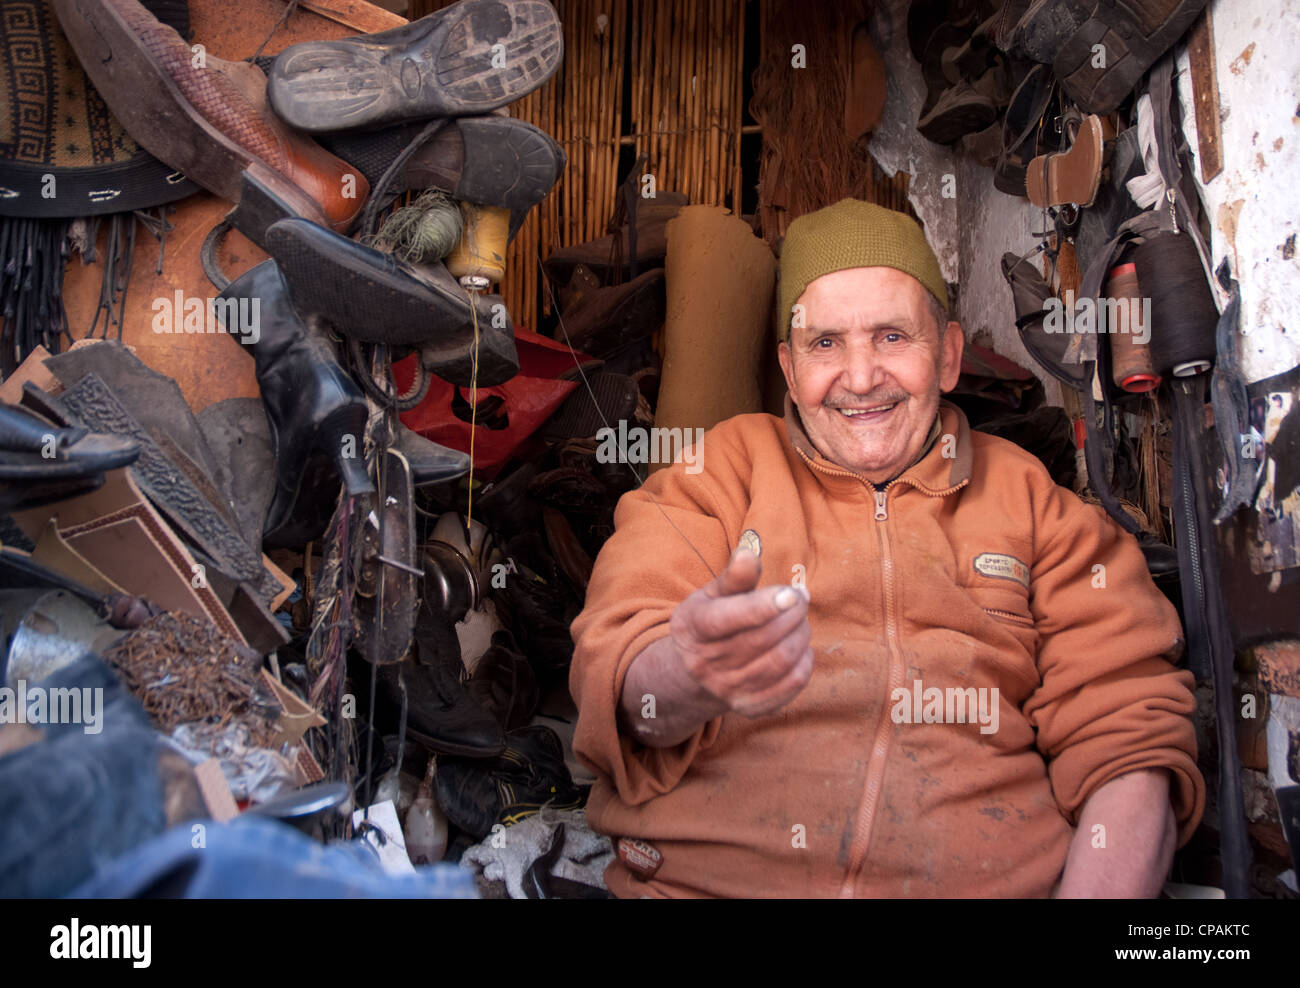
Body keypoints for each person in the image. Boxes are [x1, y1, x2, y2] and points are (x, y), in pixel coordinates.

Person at [569, 199, 1204, 898]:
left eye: (893, 336)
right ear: (788, 366)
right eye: (825, 343)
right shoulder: (714, 477)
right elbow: (618, 670)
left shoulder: (1037, 507)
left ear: (951, 356)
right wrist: (682, 673)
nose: (862, 376)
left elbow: (1129, 732)